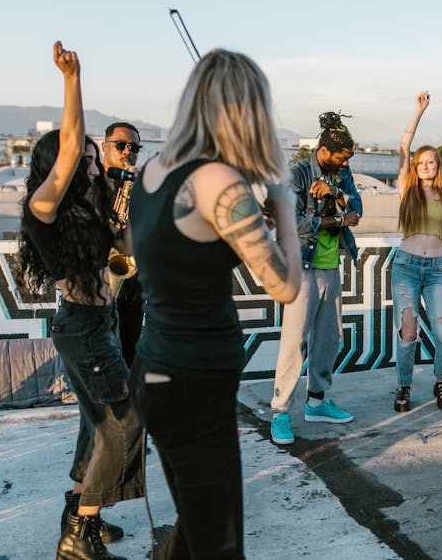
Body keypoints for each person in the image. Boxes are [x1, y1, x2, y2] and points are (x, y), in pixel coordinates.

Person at [127, 48, 302, 558]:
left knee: (195, 532)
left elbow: (174, 254)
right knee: (220, 547)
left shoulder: (151, 173)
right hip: (195, 385)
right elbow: (286, 287)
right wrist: (284, 205)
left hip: (155, 372)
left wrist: (242, 230)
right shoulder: (218, 182)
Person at [15, 42, 144, 560]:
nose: (93, 168)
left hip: (103, 320)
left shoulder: (87, 212)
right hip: (82, 326)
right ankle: (78, 531)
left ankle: (81, 512)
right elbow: (70, 148)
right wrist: (72, 79)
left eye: (95, 162)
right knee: (125, 423)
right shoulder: (42, 206)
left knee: (102, 426)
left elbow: (125, 255)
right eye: (87, 162)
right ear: (58, 167)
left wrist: (123, 209)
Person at [269, 111, 362, 445]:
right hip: (301, 266)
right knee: (295, 342)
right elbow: (290, 225)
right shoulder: (297, 175)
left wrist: (336, 198)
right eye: (343, 156)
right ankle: (280, 412)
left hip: (330, 266)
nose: (346, 162)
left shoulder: (343, 173)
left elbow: (358, 210)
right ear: (325, 151)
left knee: (329, 337)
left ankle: (317, 402)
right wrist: (338, 219)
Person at [392, 91, 442, 412]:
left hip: (436, 268)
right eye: (421, 162)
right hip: (406, 266)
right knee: (408, 333)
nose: (425, 165)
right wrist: (418, 110)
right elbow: (403, 149)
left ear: (438, 166)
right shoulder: (406, 187)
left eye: (431, 162)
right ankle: (404, 385)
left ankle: (441, 380)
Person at [101, 122, 144, 367]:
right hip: (97, 287)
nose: (128, 152)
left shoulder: (138, 188)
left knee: (129, 357)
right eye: (121, 145)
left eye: (134, 148)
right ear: (104, 147)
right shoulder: (91, 185)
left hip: (131, 286)